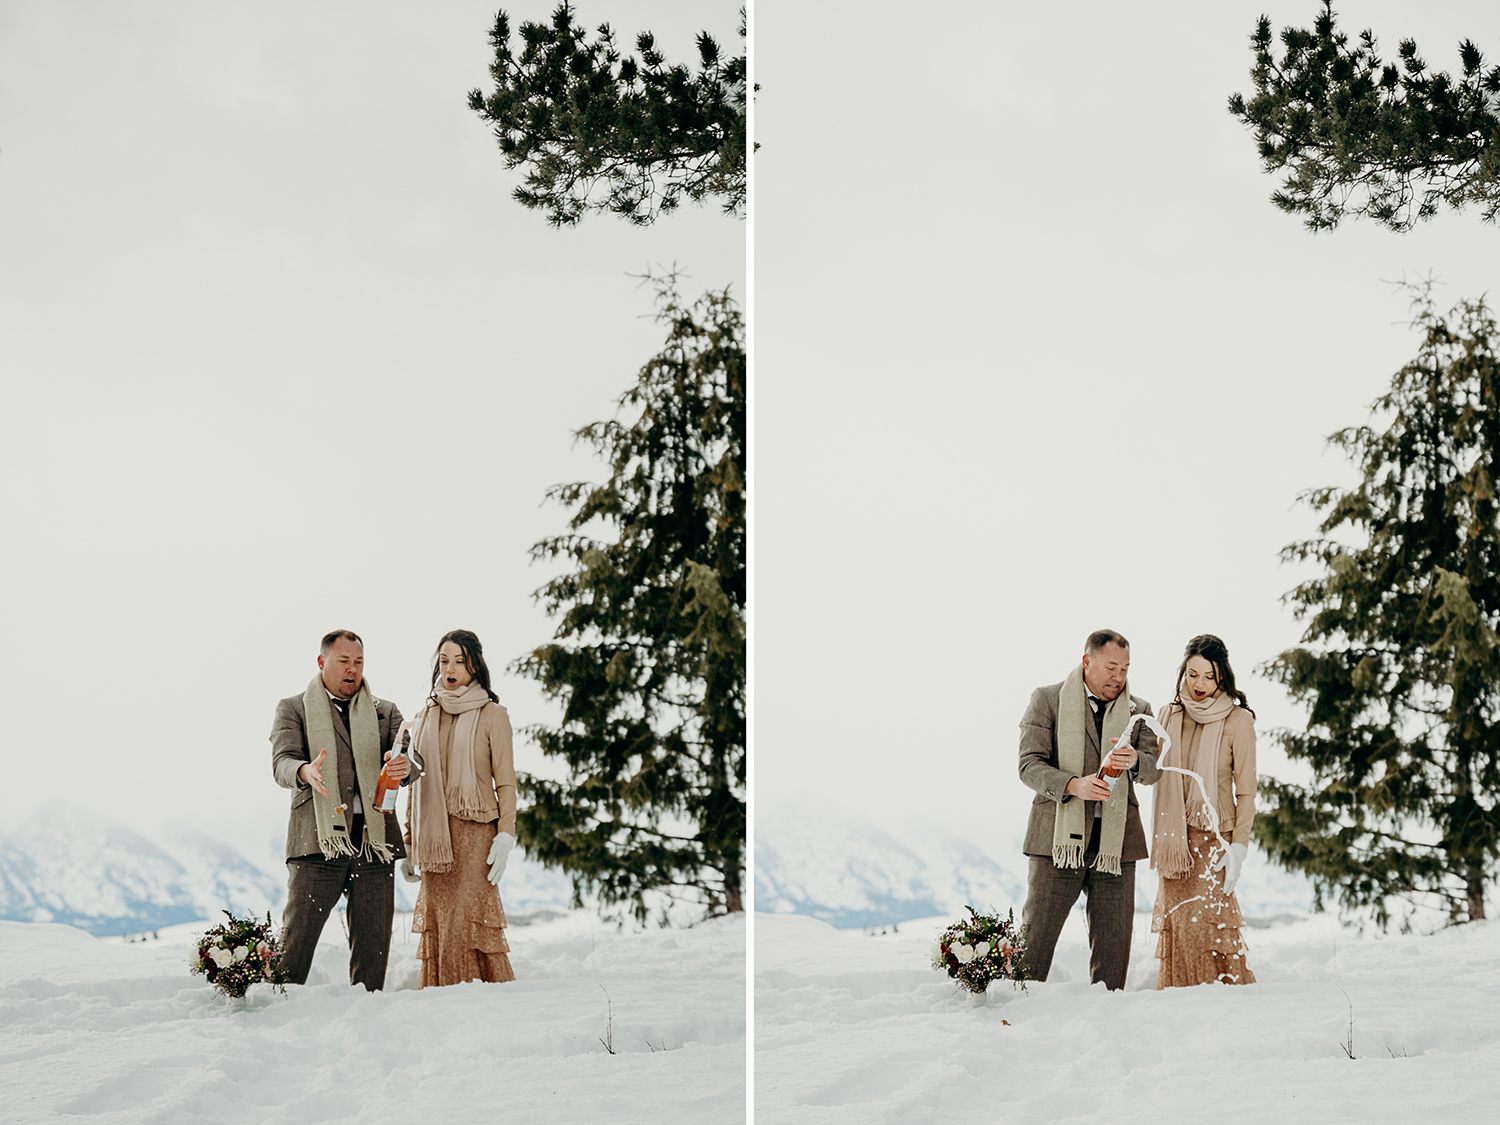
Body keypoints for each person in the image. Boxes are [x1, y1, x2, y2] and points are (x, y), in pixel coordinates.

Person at [1018, 629, 1162, 990]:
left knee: (1114, 962)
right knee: (1032, 951)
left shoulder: (1139, 711)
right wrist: (1073, 785)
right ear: (1087, 661)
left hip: (1116, 848)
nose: (1119, 677)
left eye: (1125, 669)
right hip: (1056, 842)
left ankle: (1109, 1035)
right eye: (1111, 667)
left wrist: (1136, 761)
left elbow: (1155, 768)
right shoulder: (1047, 699)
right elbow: (1029, 765)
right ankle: (1011, 1022)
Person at [270, 629, 411, 990]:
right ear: (322, 662)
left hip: (373, 843)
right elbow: (281, 763)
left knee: (373, 952)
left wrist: (405, 767)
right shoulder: (293, 707)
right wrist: (304, 770)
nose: (353, 670)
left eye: (359, 662)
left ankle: (367, 1028)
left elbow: (412, 757)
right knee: (294, 948)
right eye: (344, 661)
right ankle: (273, 1014)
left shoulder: (386, 711)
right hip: (318, 841)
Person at [403, 629, 518, 987]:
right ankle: (442, 1006)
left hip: (475, 836)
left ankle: (486, 1002)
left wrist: (506, 834)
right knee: (442, 921)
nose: (450, 669)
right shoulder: (423, 717)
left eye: (459, 661)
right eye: (444, 660)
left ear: (474, 666)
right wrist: (409, 841)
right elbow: (414, 782)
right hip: (435, 838)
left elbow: (506, 780)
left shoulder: (493, 714)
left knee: (467, 922)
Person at [1150, 634, 1258, 987]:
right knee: (1180, 927)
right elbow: (1152, 770)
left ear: (1222, 677)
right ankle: (1180, 1010)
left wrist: (1238, 847)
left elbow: (1246, 790)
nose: (1199, 684)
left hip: (1215, 842)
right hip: (1174, 842)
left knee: (1209, 926)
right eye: (1192, 674)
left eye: (1209, 677)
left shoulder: (1238, 720)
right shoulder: (1168, 714)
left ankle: (1224, 1006)